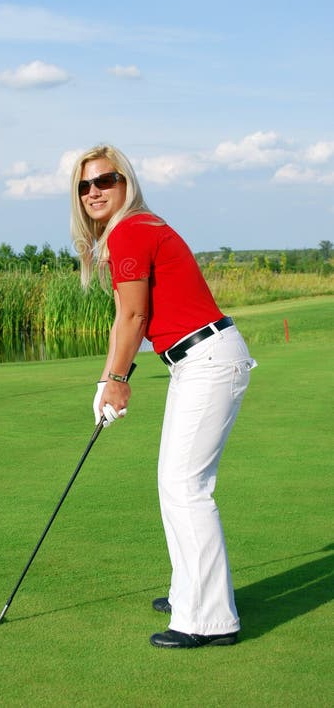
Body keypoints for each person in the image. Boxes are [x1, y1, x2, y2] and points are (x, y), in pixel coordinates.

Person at [70, 144, 257, 649]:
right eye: (85, 185)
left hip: (208, 360)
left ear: (125, 183)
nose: (94, 192)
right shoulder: (133, 232)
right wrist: (107, 378)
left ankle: (209, 620)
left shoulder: (131, 230)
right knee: (174, 483)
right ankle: (189, 592)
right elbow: (124, 318)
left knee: (186, 487)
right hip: (198, 360)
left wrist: (118, 380)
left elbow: (134, 319)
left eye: (105, 181)